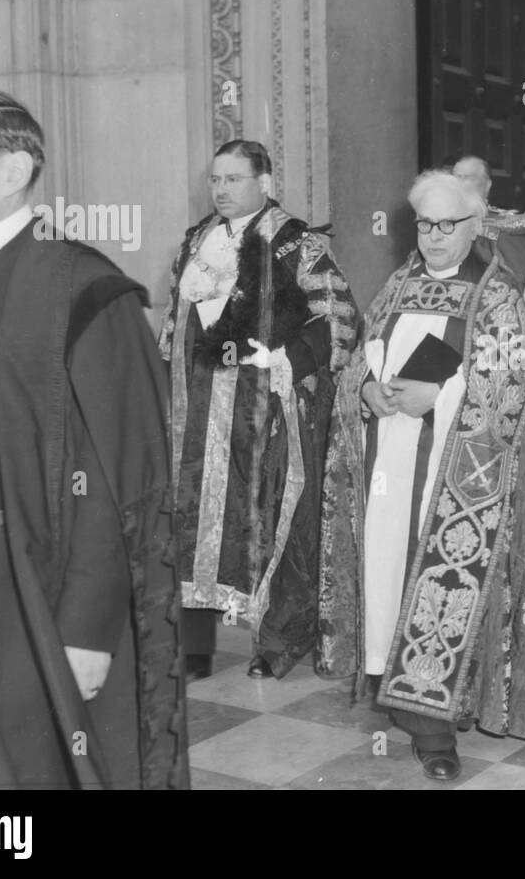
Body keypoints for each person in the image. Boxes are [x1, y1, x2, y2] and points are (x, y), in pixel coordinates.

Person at [0, 87, 187, 787]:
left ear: (13, 170)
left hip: (26, 594)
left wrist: (85, 627)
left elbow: (123, 480)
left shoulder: (85, 293)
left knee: (28, 777)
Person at [318, 169, 525, 782]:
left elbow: (510, 390)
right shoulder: (398, 283)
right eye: (423, 224)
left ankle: (435, 731)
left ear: (475, 225)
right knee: (387, 572)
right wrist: (367, 390)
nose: (432, 237)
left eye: (446, 225)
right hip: (390, 464)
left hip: (454, 473)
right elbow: (358, 359)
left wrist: (441, 392)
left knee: (439, 579)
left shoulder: (497, 294)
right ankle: (395, 692)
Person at [161, 139, 359, 680]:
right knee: (191, 519)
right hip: (197, 412)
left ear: (264, 183)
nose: (222, 190)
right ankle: (194, 646)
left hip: (262, 408)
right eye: (216, 180)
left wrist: (287, 363)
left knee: (272, 516)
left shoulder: (296, 242)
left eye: (234, 179)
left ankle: (279, 641)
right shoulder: (195, 240)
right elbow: (174, 327)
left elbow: (338, 316)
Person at [450, 154, 525, 290]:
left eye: (469, 178)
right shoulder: (438, 223)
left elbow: (520, 282)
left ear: (487, 185)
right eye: (456, 178)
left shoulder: (506, 224)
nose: (459, 184)